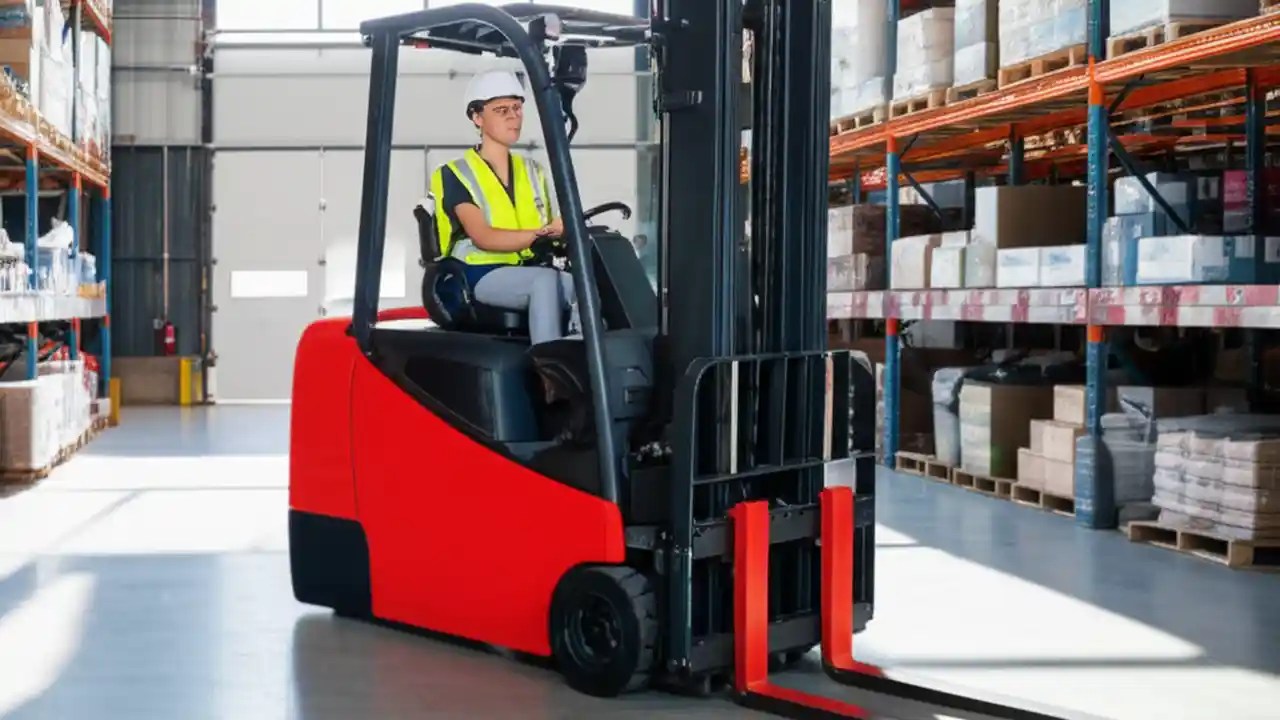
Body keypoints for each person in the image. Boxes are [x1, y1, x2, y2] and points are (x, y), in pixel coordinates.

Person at [428, 69, 579, 345]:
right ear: (477, 117)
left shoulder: (533, 171)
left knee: (585, 285)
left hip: (525, 268)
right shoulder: (455, 173)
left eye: (517, 108)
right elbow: (483, 236)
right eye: (501, 110)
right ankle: (551, 375)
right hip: (475, 274)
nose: (513, 116)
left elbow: (556, 226)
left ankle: (588, 368)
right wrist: (544, 232)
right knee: (544, 282)